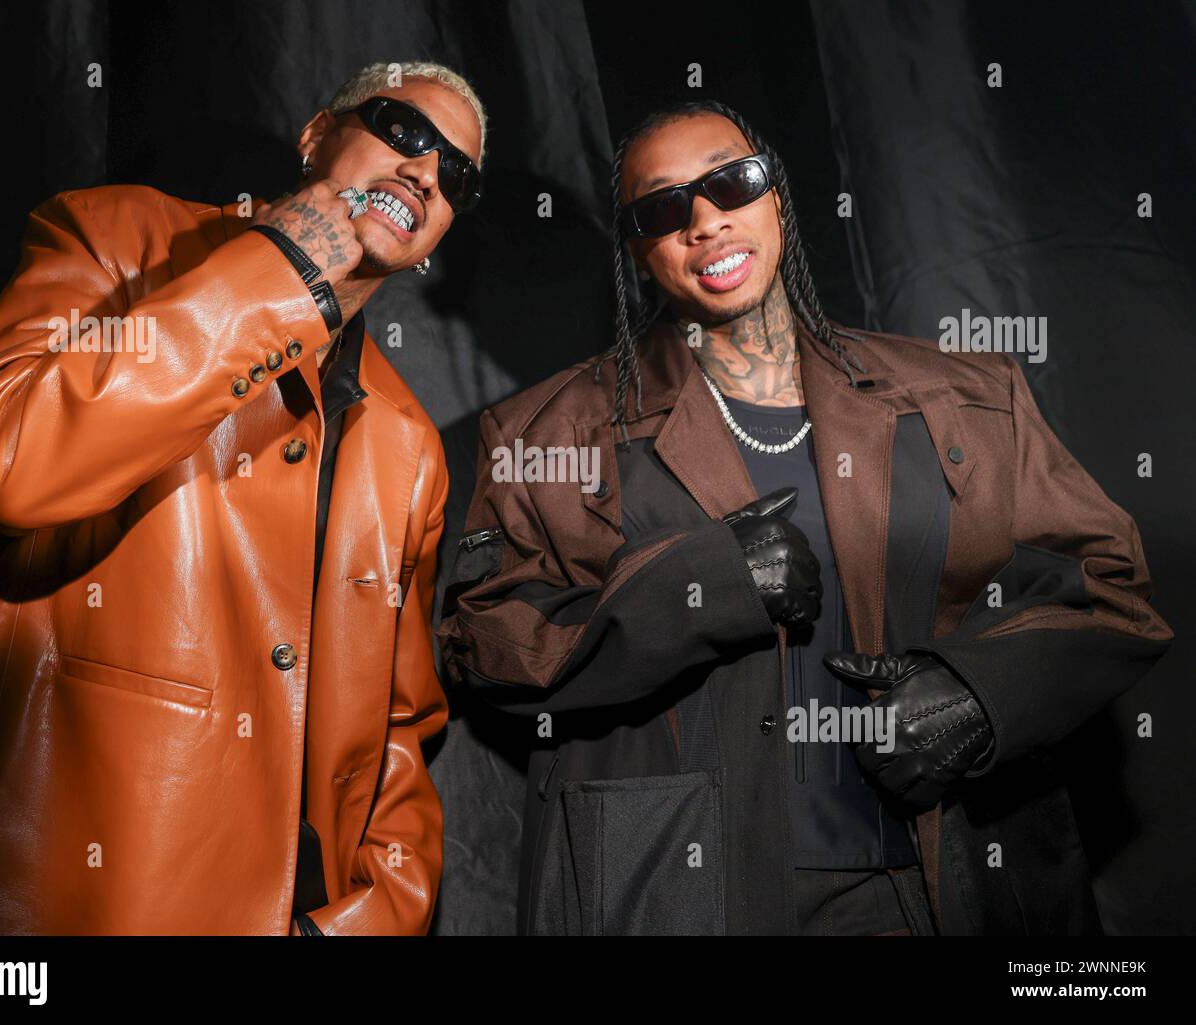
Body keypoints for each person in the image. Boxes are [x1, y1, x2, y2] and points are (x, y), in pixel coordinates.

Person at [437, 100, 1172, 935]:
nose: (705, 221)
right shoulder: (545, 434)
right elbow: (484, 645)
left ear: (777, 197)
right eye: (664, 208)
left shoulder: (965, 395)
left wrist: (978, 693)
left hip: (946, 881)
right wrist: (704, 584)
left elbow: (1109, 584)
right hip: (686, 898)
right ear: (638, 250)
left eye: (731, 183)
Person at [0, 61, 485, 936]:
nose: (426, 171)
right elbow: (12, 459)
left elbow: (398, 725)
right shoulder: (114, 235)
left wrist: (369, 915)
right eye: (404, 130)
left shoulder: (410, 446)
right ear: (317, 135)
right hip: (71, 896)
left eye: (457, 174)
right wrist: (283, 276)